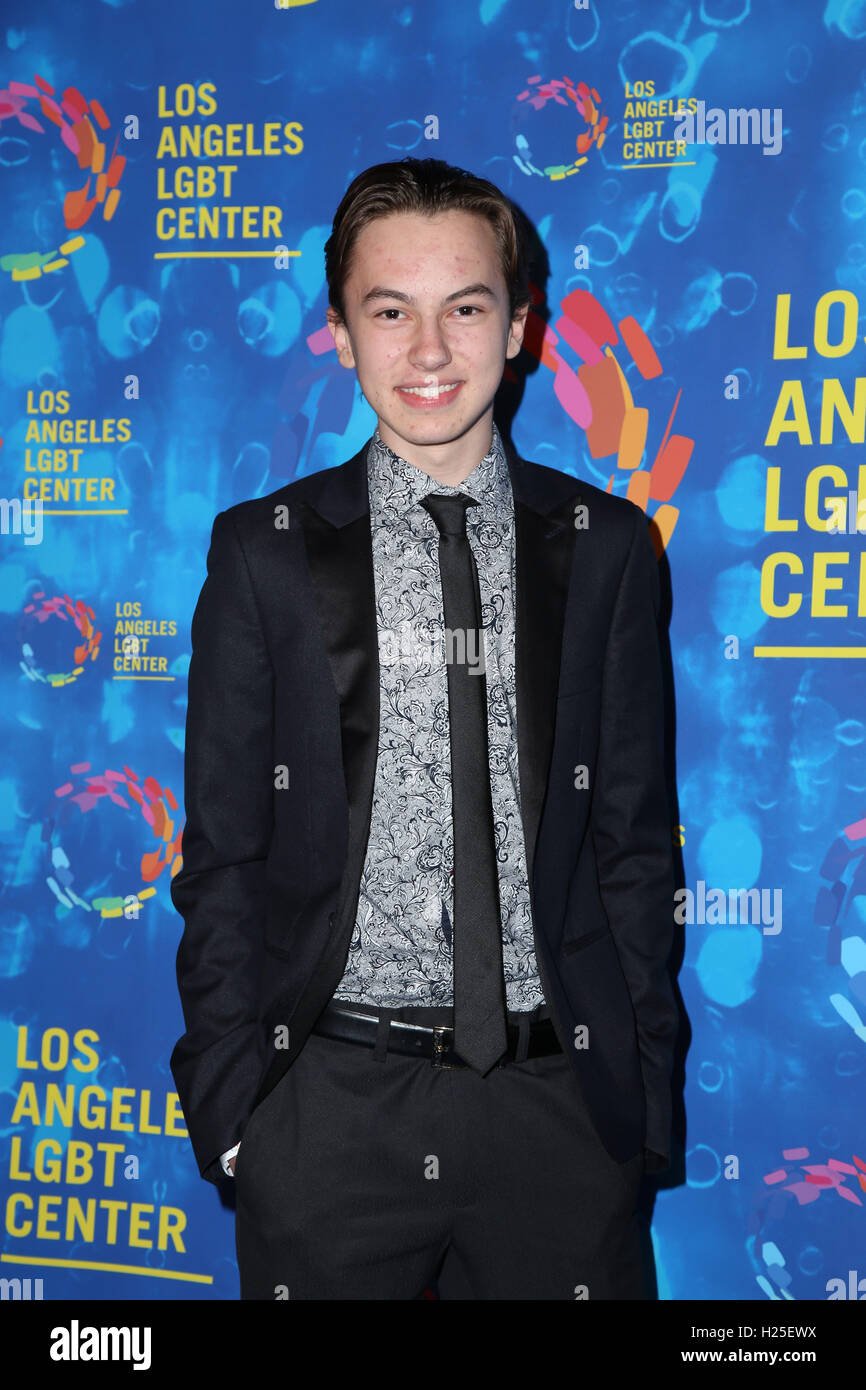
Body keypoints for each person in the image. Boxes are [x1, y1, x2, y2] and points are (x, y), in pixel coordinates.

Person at [170, 156, 678, 1300]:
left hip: (557, 1113)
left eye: (465, 307)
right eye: (388, 311)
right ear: (341, 333)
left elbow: (634, 849)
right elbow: (224, 858)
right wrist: (235, 1105)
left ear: (520, 327)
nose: (430, 351)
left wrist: (636, 1095)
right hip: (330, 1113)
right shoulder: (264, 552)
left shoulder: (605, 547)